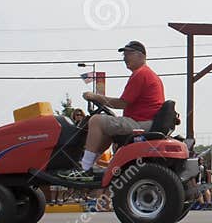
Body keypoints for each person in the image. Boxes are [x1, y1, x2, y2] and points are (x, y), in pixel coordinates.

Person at [60, 41, 164, 181]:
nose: (125, 58)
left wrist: (95, 97)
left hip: (140, 124)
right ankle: (87, 165)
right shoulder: (146, 74)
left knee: (96, 120)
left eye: (129, 54)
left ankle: (84, 168)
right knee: (107, 131)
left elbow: (121, 103)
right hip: (143, 122)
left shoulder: (141, 74)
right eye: (124, 54)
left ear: (141, 56)